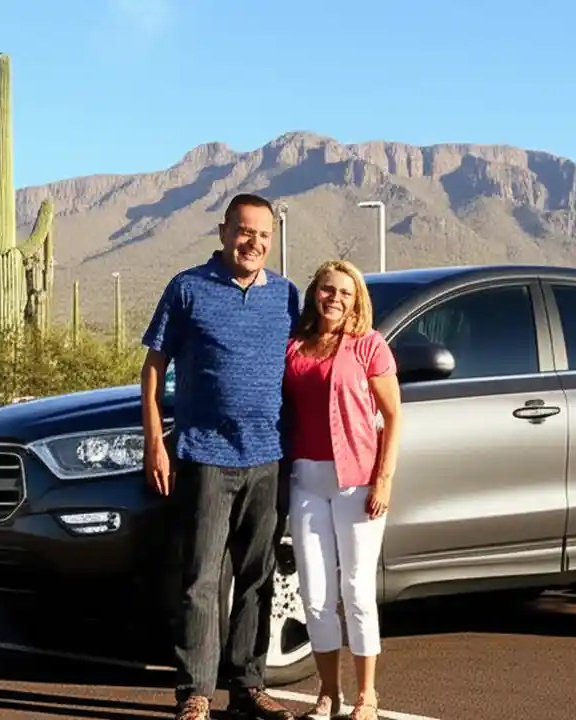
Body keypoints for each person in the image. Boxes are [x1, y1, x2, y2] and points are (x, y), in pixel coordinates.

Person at [140, 193, 301, 720]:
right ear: (223, 230)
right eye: (244, 231)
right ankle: (196, 694)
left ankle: (248, 686)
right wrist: (155, 442)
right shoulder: (189, 289)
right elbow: (153, 367)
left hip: (267, 455)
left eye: (263, 235)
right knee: (202, 580)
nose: (253, 242)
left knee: (257, 577)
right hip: (206, 455)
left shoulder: (285, 295)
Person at [281, 259, 402, 720]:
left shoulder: (370, 347)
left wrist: (383, 480)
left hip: (358, 483)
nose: (335, 299)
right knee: (314, 594)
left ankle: (366, 695)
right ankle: (327, 693)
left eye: (345, 293)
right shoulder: (295, 347)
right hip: (306, 480)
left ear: (357, 301)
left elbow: (393, 416)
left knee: (355, 589)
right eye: (328, 290)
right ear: (316, 293)